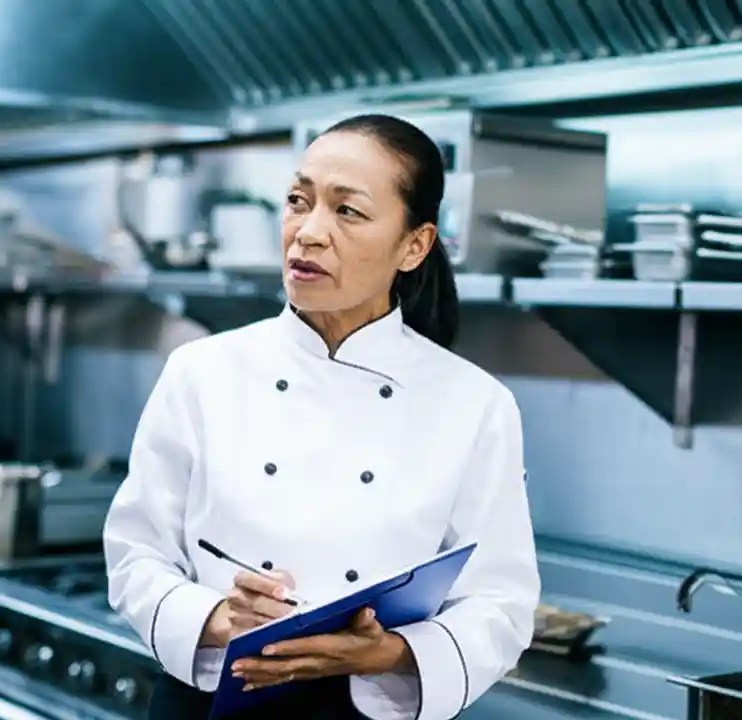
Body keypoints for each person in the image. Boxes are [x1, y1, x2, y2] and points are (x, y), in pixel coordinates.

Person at [103, 113, 540, 719]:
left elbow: (501, 602)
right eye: (297, 201)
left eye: (348, 211)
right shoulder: (200, 371)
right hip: (207, 703)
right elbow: (134, 555)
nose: (307, 233)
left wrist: (385, 652)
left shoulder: (473, 404)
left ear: (414, 245)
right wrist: (219, 617)